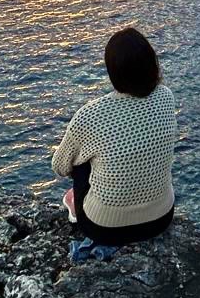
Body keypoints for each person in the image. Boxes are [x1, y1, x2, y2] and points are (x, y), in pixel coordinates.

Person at [51, 27, 177, 262]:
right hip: (160, 219)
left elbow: (60, 166)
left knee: (80, 161)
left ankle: (74, 202)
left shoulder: (91, 114)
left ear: (113, 71)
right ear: (152, 63)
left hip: (104, 228)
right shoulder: (166, 97)